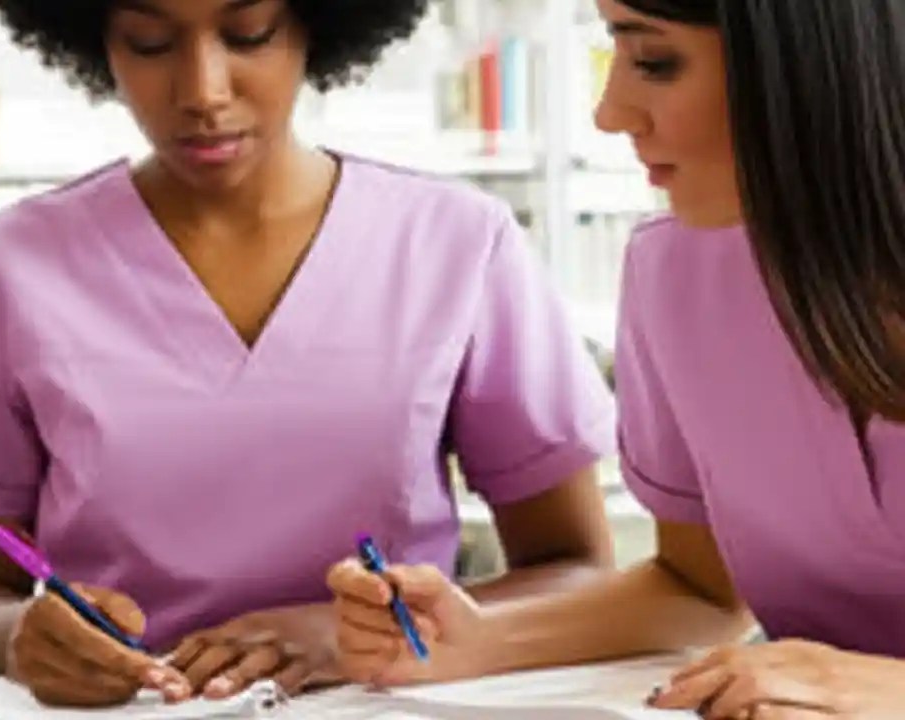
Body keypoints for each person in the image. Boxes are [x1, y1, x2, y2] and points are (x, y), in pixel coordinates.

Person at [0, 0, 618, 709]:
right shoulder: (10, 268)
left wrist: (361, 636)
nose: (203, 91)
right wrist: (16, 636)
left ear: (316, 25)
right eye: (150, 43)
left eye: (249, 35)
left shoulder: (456, 244)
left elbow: (579, 570)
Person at [329, 0, 905, 716]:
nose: (608, 114)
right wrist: (480, 640)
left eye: (654, 62)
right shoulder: (675, 274)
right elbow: (700, 589)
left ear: (809, 63)